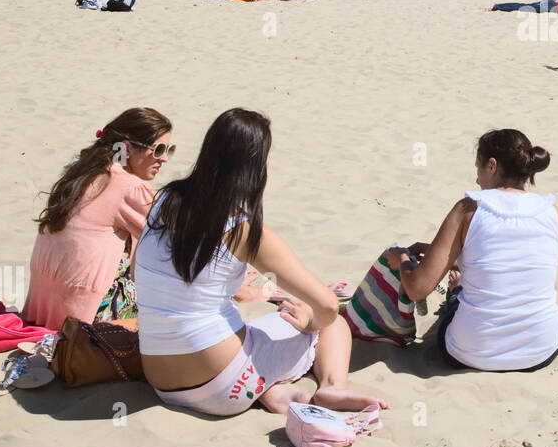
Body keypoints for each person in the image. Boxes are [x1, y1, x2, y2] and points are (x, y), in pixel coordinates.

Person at [136, 108, 389, 417]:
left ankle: (271, 391)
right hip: (223, 382)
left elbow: (139, 268)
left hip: (162, 384)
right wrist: (312, 322)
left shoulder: (163, 200)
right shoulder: (243, 230)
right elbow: (327, 306)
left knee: (249, 329)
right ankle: (332, 388)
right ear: (257, 164)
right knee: (332, 324)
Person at [381, 129, 558, 372]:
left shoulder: (469, 209)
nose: (477, 180)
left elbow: (417, 288)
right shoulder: (551, 210)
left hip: (473, 352)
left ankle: (455, 292)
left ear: (492, 166)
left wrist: (400, 258)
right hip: (541, 349)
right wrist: (443, 256)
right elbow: (508, 263)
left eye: (478, 168)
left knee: (456, 296)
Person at [24, 108, 173, 330]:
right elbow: (175, 239)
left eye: (170, 150)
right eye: (158, 149)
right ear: (126, 147)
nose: (164, 159)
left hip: (42, 311)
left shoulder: (79, 171)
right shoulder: (129, 187)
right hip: (85, 323)